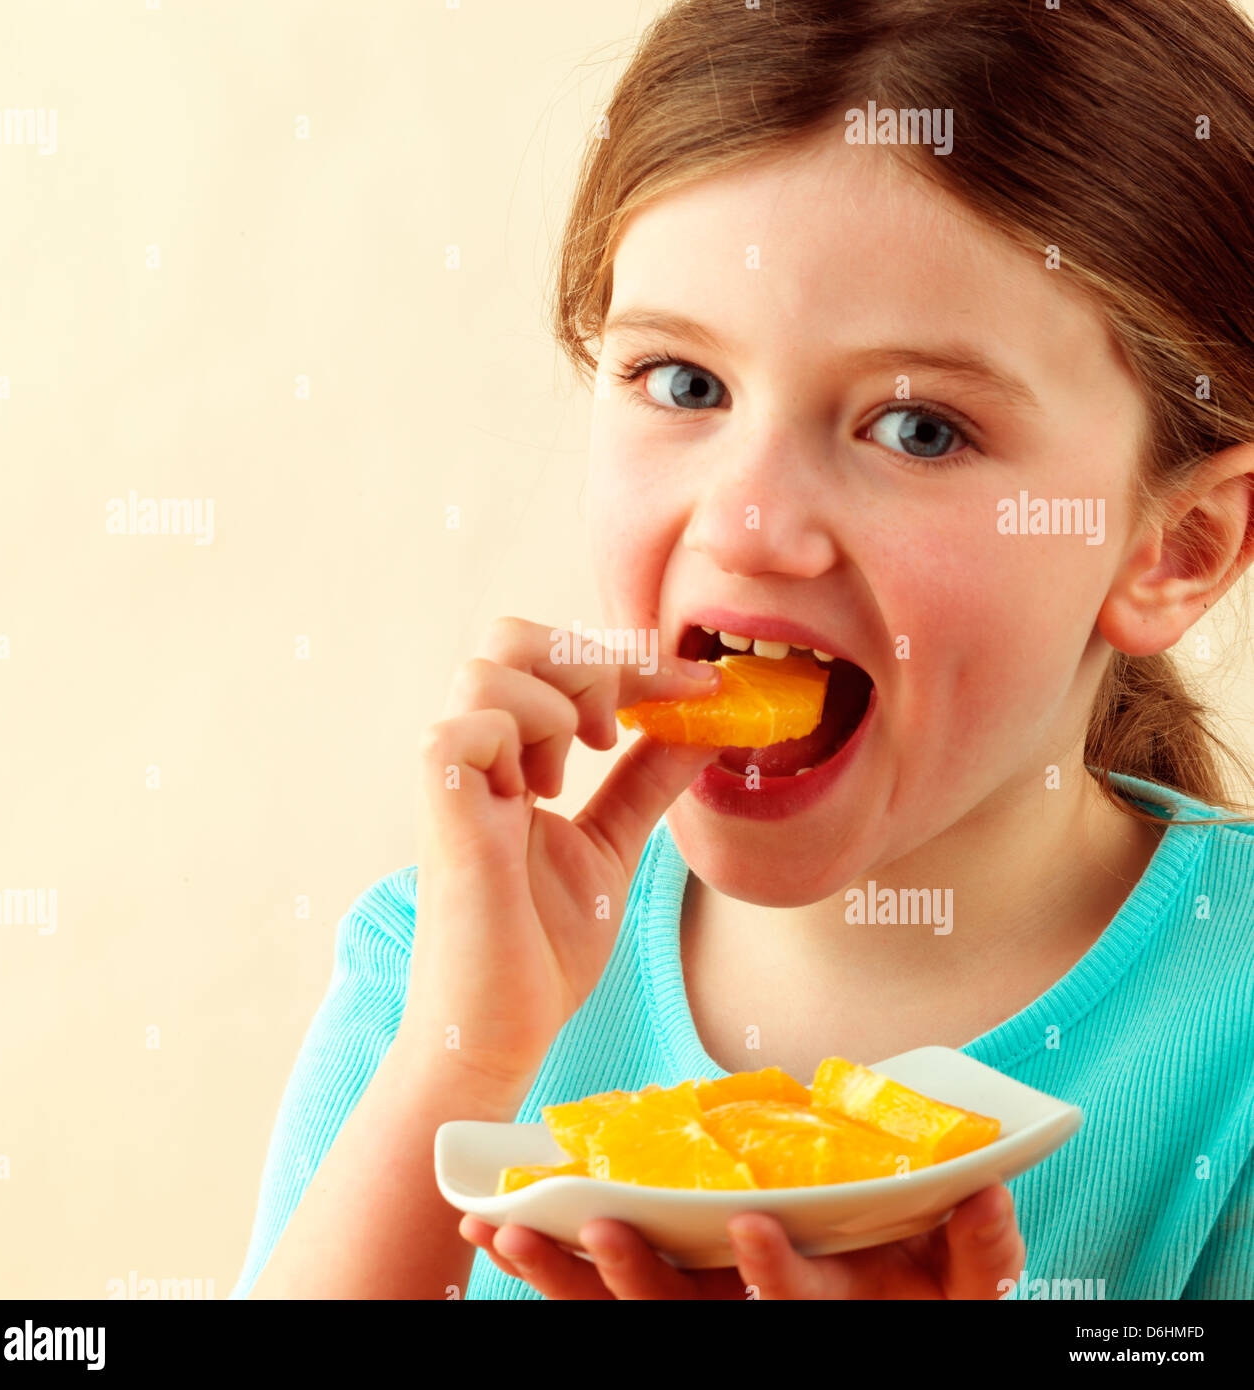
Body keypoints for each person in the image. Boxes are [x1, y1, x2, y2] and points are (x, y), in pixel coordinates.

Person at [232, 0, 1254, 1299]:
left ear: (1179, 547)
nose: (752, 525)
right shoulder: (436, 980)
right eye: (684, 384)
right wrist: (463, 1064)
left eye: (918, 428)